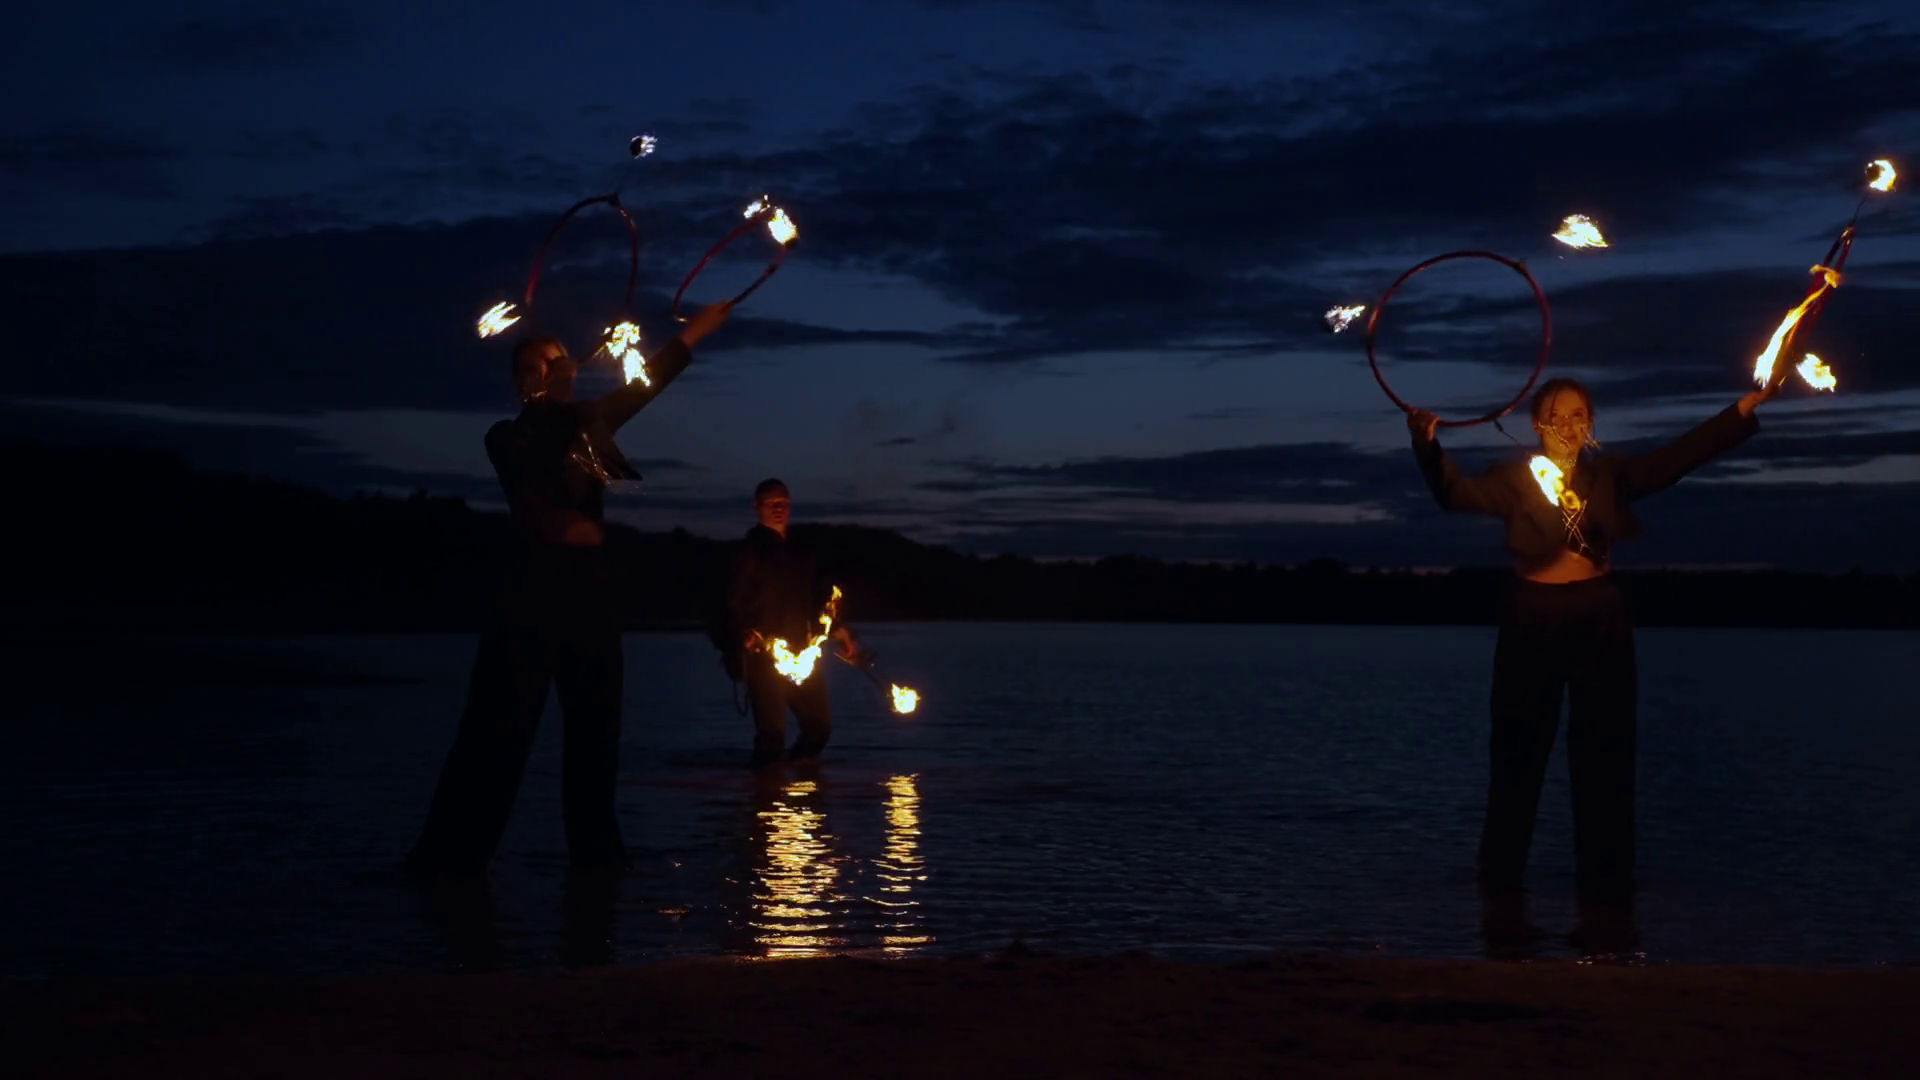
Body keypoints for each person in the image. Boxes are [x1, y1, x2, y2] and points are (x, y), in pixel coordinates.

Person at [1408, 376, 1777, 899]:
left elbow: (1678, 457)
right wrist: (1427, 446)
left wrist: (1742, 410)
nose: (1568, 425)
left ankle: (1606, 888)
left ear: (1591, 425)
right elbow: (1454, 493)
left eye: (1579, 415)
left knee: (1606, 754)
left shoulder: (1610, 475)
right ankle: (1498, 885)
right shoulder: (1514, 478)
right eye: (1557, 416)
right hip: (1531, 617)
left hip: (1598, 617)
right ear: (1537, 426)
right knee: (1517, 751)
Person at [404, 302, 734, 879]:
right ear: (521, 379)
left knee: (596, 737)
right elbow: (534, 477)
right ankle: (452, 861)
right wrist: (558, 524)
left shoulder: (590, 420)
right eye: (541, 361)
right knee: (497, 734)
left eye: (560, 358)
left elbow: (652, 378)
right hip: (528, 601)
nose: (556, 365)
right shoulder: (506, 436)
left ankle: (598, 863)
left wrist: (702, 325)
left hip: (590, 602)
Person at [713, 479, 858, 768]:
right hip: (763, 658)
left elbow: (817, 598)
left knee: (819, 727)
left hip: (801, 652)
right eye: (771, 504)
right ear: (757, 507)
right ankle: (766, 803)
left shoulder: (801, 552)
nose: (778, 509)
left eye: (784, 503)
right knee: (772, 736)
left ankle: (802, 791)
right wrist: (738, 637)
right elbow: (727, 604)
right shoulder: (748, 553)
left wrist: (837, 630)